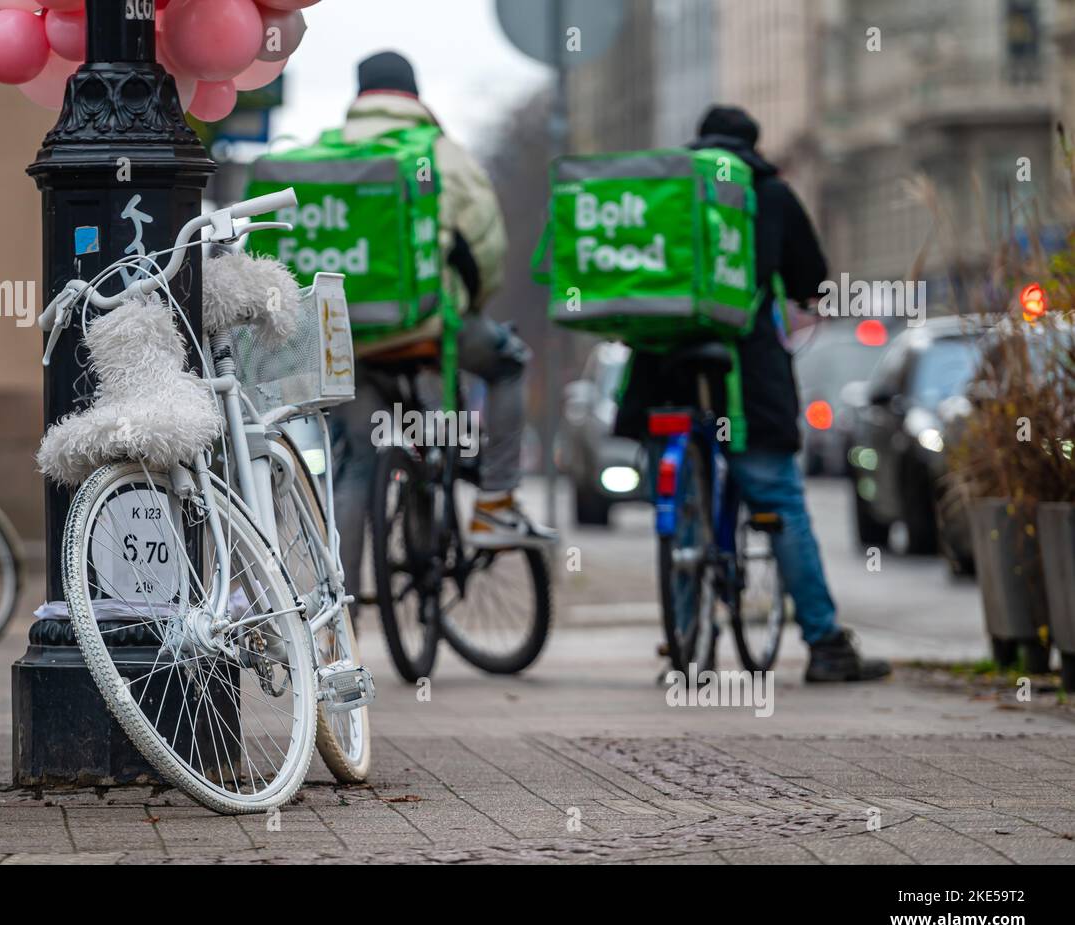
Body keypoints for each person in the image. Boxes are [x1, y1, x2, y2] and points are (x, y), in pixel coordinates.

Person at [616, 105, 890, 683]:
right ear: (752, 146)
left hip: (663, 372)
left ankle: (684, 642)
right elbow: (811, 282)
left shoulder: (665, 188)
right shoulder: (770, 193)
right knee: (780, 501)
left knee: (683, 508)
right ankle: (825, 646)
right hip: (744, 377)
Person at [329, 51, 551, 597]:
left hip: (346, 338)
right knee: (508, 363)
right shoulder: (442, 156)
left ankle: (337, 614)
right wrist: (470, 301)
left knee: (358, 461)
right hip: (429, 330)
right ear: (414, 94)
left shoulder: (326, 156)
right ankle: (496, 502)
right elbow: (487, 248)